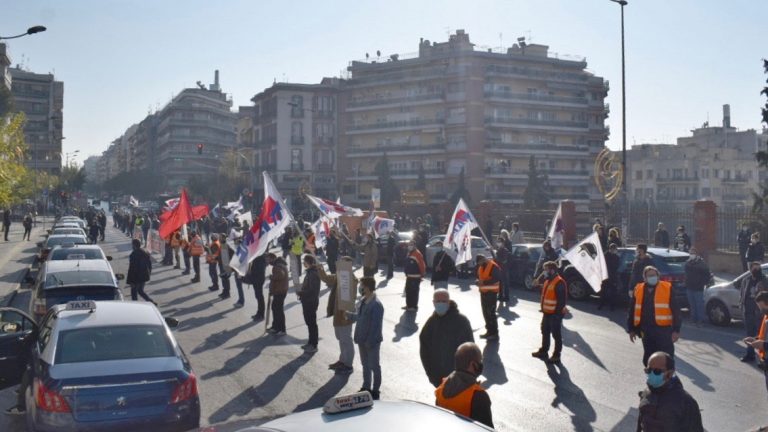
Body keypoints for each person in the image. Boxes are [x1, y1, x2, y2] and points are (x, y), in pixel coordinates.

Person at [628, 266, 682, 366]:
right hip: (646, 330)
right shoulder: (638, 289)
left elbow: (676, 311)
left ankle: (668, 379)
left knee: (666, 359)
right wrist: (631, 329)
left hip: (663, 331)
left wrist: (676, 330)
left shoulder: (667, 288)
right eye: (649, 276)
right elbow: (632, 310)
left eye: (654, 275)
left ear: (658, 276)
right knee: (648, 358)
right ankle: (652, 378)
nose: (652, 277)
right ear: (644, 278)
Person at [636, 351, 703, 431]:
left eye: (657, 371)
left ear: (670, 373)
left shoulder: (686, 402)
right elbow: (641, 422)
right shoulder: (646, 394)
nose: (651, 374)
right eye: (648, 370)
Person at [419, 289, 474, 387]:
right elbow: (424, 351)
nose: (441, 304)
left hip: (460, 380)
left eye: (444, 301)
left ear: (449, 302)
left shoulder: (461, 321)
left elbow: (471, 351)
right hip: (438, 380)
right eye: (438, 301)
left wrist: (466, 376)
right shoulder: (431, 323)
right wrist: (431, 375)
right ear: (433, 303)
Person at [435, 342, 494, 429]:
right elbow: (487, 429)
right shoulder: (479, 396)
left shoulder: (442, 386)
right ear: (472, 365)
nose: (481, 364)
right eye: (480, 361)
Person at [318, 256, 358, 374]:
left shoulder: (352, 279)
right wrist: (320, 269)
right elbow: (326, 278)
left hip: (345, 313)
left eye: (342, 263)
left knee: (346, 339)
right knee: (340, 338)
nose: (339, 265)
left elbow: (351, 297)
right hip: (337, 312)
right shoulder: (339, 276)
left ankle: (348, 365)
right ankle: (342, 360)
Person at [350, 277, 384, 400]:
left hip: (371, 342)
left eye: (362, 286)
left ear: (368, 287)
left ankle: (375, 391)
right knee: (365, 365)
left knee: (374, 366)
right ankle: (366, 387)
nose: (360, 288)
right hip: (361, 340)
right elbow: (360, 318)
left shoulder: (376, 305)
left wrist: (369, 342)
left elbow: (376, 326)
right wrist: (349, 315)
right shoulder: (364, 301)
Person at [531, 261, 568, 363]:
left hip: (555, 314)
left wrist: (557, 315)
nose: (544, 272)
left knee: (556, 335)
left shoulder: (559, 282)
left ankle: (556, 355)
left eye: (546, 269)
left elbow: (561, 301)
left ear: (552, 270)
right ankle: (544, 350)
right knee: (545, 331)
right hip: (546, 313)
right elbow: (545, 293)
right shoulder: (548, 281)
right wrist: (537, 286)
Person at [739, 261, 767, 362]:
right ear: (750, 270)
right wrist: (741, 305)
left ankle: (763, 357)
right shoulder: (746, 280)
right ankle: (750, 354)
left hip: (760, 313)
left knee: (762, 336)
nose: (757, 271)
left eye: (758, 269)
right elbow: (742, 293)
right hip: (748, 312)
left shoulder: (764, 280)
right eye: (755, 269)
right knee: (749, 335)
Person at [298, 255, 321, 353]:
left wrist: (301, 293)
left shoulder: (313, 274)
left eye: (304, 261)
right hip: (306, 301)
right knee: (309, 323)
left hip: (310, 302)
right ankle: (310, 342)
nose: (303, 263)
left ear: (308, 262)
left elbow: (313, 290)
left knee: (312, 323)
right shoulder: (310, 272)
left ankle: (313, 344)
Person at [475, 254, 501, 340]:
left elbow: (497, 278)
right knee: (485, 314)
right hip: (483, 293)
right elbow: (480, 277)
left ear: (483, 259)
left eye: (480, 262)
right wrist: (477, 282)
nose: (479, 264)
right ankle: (489, 331)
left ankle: (494, 333)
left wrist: (484, 283)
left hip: (491, 293)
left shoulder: (493, 266)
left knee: (491, 314)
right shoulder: (481, 267)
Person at [746, 292, 768, 392]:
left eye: (762, 308)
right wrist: (755, 339)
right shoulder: (766, 316)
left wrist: (763, 345)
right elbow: (764, 336)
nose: (760, 311)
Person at [684, 247, 710, 326]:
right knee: (692, 305)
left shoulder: (701, 263)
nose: (691, 255)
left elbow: (707, 275)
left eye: (693, 253)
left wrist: (702, 283)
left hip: (698, 288)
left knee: (699, 304)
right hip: (689, 287)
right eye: (690, 253)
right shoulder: (688, 263)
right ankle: (693, 319)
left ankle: (700, 320)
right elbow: (686, 274)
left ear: (696, 254)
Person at [127, 238, 156, 305]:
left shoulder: (133, 255)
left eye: (132, 245)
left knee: (134, 293)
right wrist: (148, 273)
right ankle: (151, 302)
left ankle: (136, 306)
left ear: (134, 245)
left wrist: (131, 281)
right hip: (144, 276)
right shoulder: (145, 252)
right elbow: (149, 264)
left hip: (136, 277)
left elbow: (132, 269)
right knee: (140, 291)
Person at [266, 252, 288, 335]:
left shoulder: (277, 266)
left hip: (279, 291)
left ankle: (281, 329)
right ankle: (275, 326)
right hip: (281, 290)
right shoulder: (280, 264)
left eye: (268, 259)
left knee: (277, 310)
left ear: (272, 258)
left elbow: (280, 275)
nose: (267, 261)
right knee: (276, 309)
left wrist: (272, 277)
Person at [404, 242, 426, 311]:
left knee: (414, 292)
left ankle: (414, 307)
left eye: (411, 245)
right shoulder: (409, 253)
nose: (410, 246)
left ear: (414, 246)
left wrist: (422, 274)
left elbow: (422, 265)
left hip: (415, 276)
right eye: (409, 245)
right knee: (408, 291)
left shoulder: (417, 253)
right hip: (409, 276)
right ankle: (409, 305)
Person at [244, 254, 267, 321]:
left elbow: (258, 271)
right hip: (257, 279)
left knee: (259, 297)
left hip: (258, 280)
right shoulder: (257, 257)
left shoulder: (260, 259)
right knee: (258, 296)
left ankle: (261, 314)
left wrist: (251, 274)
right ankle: (259, 313)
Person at [598, 243, 620, 311]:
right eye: (613, 249)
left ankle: (612, 306)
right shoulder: (605, 256)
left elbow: (616, 266)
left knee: (613, 293)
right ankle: (601, 304)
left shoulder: (616, 257)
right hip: (605, 276)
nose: (614, 250)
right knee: (603, 292)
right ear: (610, 249)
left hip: (612, 277)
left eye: (615, 249)